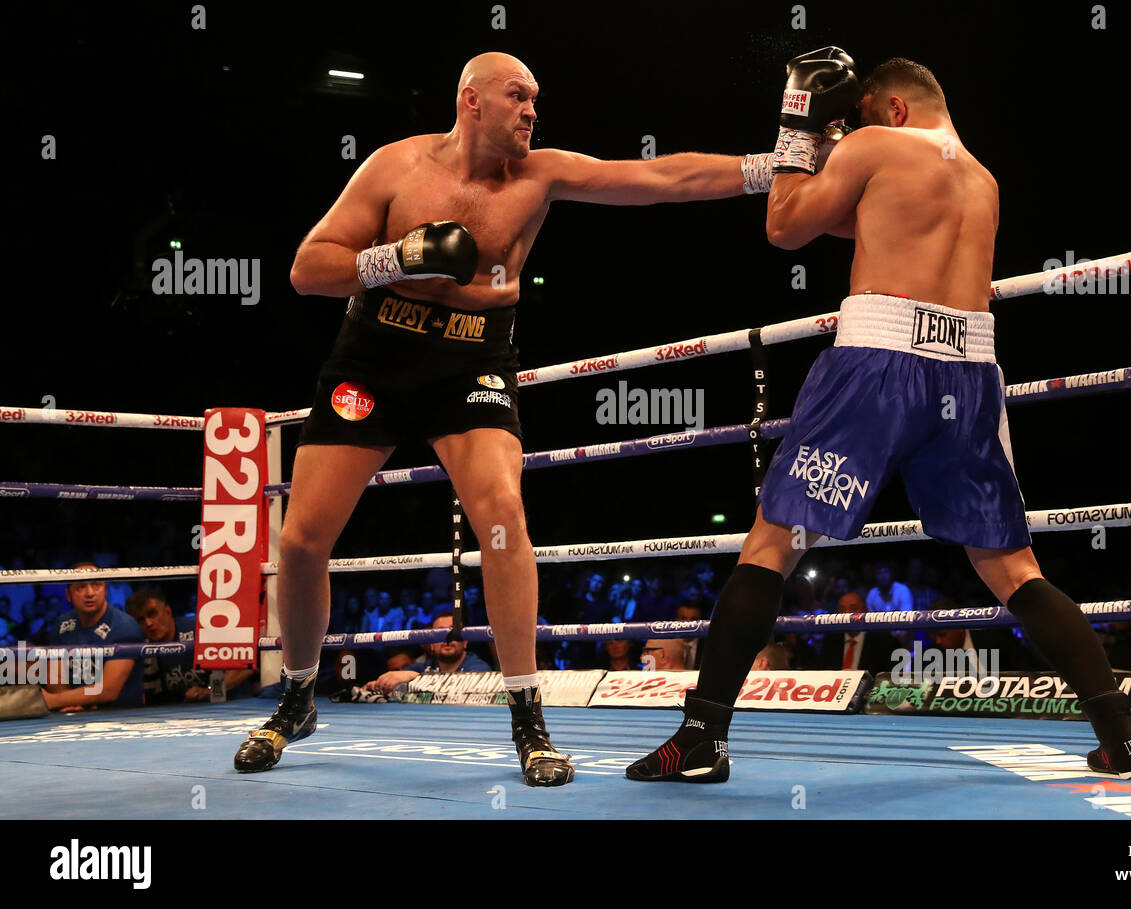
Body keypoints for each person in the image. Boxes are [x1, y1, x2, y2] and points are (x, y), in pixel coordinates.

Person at [234, 51, 778, 786]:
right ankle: (297, 695)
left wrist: (774, 166)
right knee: (301, 538)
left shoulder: (541, 173)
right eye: (517, 96)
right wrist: (396, 256)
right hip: (375, 356)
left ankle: (528, 716)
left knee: (502, 514)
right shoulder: (395, 167)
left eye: (535, 100)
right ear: (471, 101)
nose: (531, 110)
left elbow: (660, 178)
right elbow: (308, 267)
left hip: (471, 361)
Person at [628, 50, 1131, 784]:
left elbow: (784, 225)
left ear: (897, 109)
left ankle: (700, 737)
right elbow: (863, 216)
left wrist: (796, 123)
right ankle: (1124, 738)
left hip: (878, 363)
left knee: (771, 543)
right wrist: (829, 155)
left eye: (867, 115)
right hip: (971, 369)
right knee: (1013, 567)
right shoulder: (982, 181)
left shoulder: (875, 146)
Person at [127, 589, 257, 703]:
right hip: (183, 715)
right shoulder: (144, 650)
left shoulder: (200, 629)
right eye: (141, 620)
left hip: (234, 705)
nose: (148, 623)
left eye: (152, 614)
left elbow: (244, 667)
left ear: (168, 611)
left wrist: (210, 691)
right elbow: (153, 700)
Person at [43, 564, 144, 710]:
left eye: (96, 585)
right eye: (81, 586)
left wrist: (55, 701)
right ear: (68, 595)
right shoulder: (62, 625)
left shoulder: (124, 626)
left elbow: (108, 690)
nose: (90, 593)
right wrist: (70, 702)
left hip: (122, 716)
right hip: (75, 714)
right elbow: (56, 678)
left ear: (105, 590)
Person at [364, 611, 492, 695]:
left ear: (465, 642)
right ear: (431, 644)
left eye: (454, 631)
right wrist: (380, 685)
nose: (447, 638)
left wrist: (414, 677)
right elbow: (397, 680)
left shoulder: (478, 667)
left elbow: (463, 687)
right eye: (440, 633)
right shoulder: (423, 667)